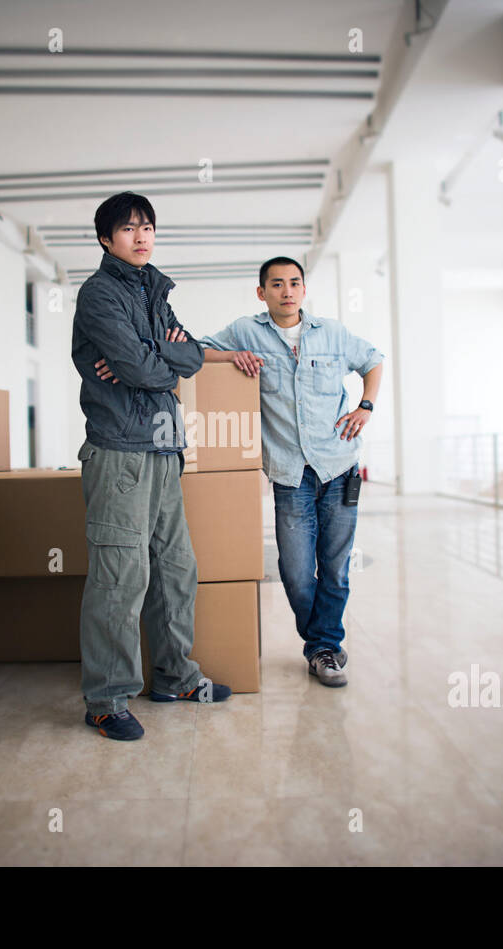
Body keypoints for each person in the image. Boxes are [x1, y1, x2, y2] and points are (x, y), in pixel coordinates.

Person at [71, 191, 232, 741]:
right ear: (105, 239)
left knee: (175, 568)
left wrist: (155, 357)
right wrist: (157, 358)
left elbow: (187, 355)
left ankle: (174, 677)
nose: (141, 236)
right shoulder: (98, 294)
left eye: (148, 227)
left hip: (164, 447)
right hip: (119, 450)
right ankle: (107, 699)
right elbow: (145, 368)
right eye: (128, 229)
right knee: (121, 577)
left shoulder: (155, 290)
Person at [198, 256, 384, 687]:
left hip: (339, 467)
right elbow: (196, 350)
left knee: (335, 567)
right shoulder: (247, 331)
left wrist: (366, 406)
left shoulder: (333, 334)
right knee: (297, 572)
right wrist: (233, 355)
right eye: (277, 284)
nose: (287, 290)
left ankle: (322, 648)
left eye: (295, 283)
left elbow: (373, 360)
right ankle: (323, 642)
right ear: (262, 293)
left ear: (304, 289)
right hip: (290, 474)